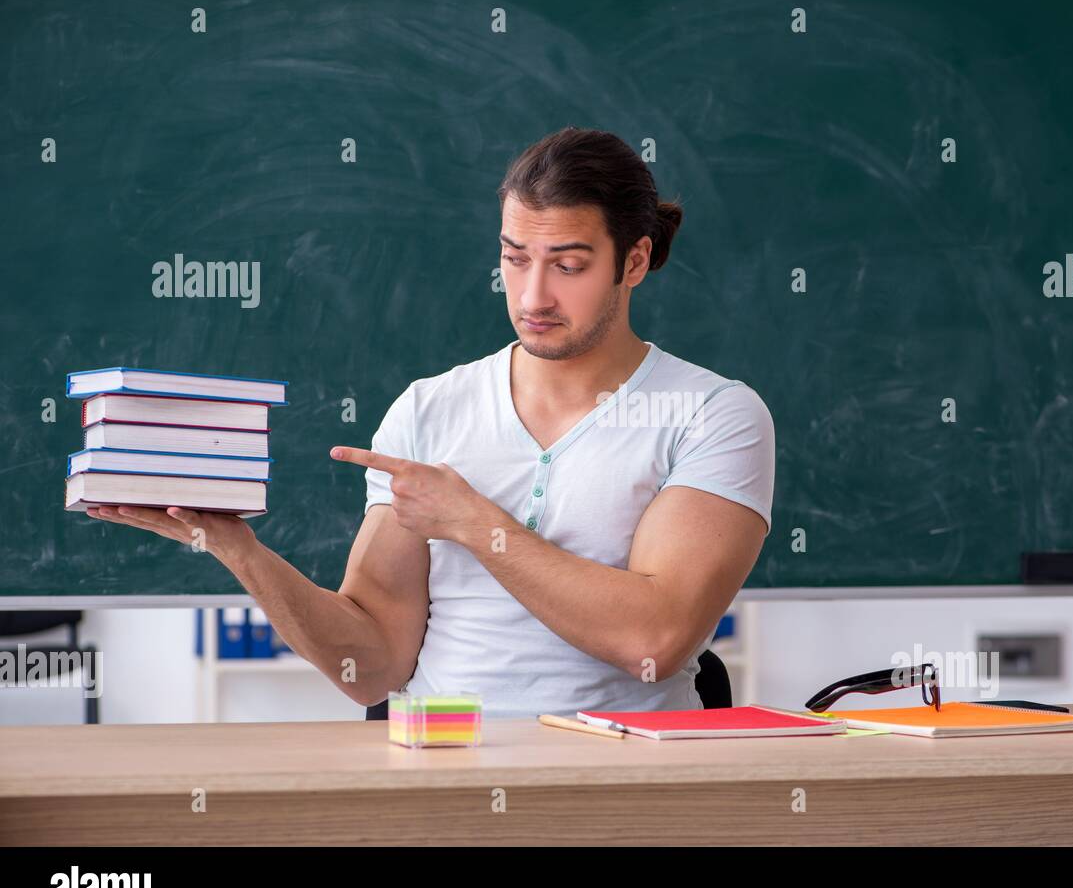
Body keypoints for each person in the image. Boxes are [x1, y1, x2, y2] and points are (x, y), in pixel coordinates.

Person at [88, 127, 776, 717]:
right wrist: (239, 549)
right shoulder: (428, 409)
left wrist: (475, 522)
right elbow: (376, 664)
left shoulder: (713, 414)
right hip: (445, 775)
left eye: (568, 264)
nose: (533, 295)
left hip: (625, 789)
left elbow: (654, 638)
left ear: (635, 260)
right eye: (514, 258)